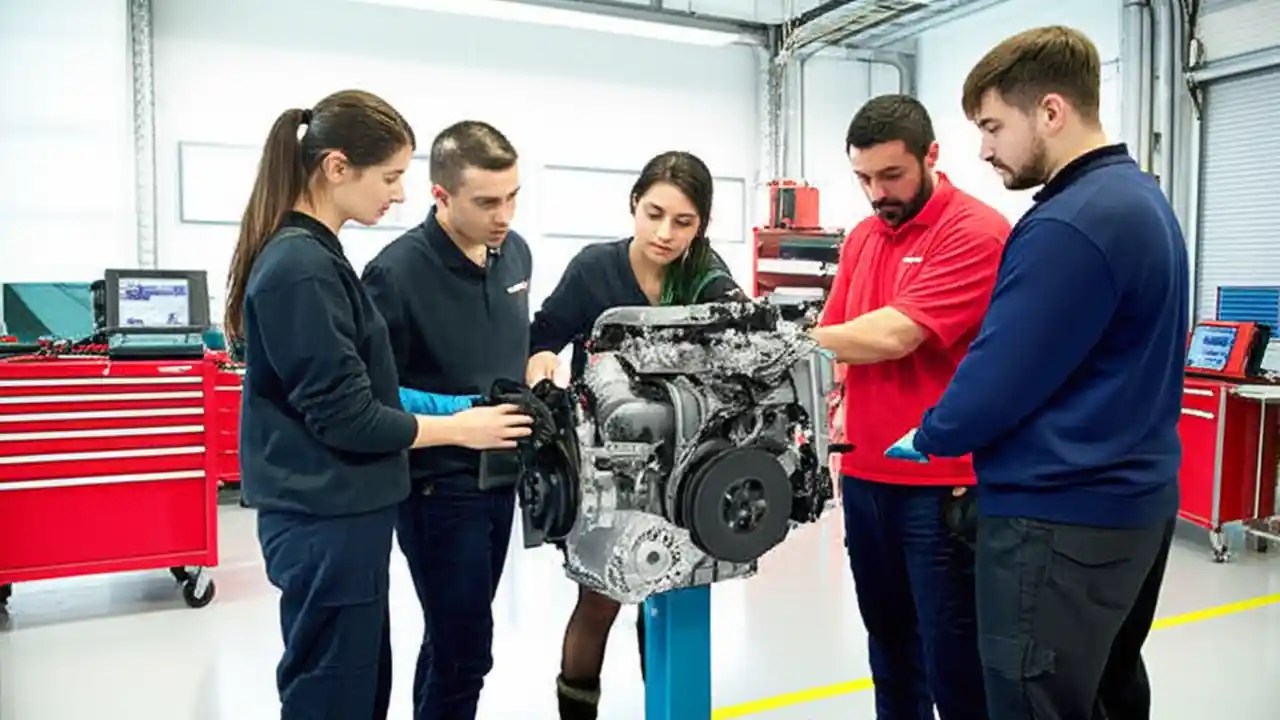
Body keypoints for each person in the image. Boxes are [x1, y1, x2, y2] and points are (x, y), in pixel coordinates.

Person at [887, 25, 1187, 720]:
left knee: (1032, 699)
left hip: (1058, 519)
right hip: (1130, 508)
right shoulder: (1140, 200)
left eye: (993, 126)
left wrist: (935, 430)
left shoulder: (1069, 223)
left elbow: (1000, 374)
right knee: (1106, 693)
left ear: (1051, 112)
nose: (985, 148)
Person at [226, 91, 534, 720]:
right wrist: (459, 425)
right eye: (391, 176)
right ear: (337, 168)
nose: (399, 194)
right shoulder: (303, 269)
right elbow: (352, 414)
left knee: (361, 688)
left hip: (349, 513)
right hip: (326, 517)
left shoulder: (318, 257)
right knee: (333, 693)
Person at [809, 94, 1010, 720]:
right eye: (863, 178)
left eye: (891, 175)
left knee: (954, 666)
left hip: (942, 487)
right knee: (890, 656)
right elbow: (835, 338)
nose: (876, 192)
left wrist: (775, 337)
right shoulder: (864, 237)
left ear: (931, 156)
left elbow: (897, 334)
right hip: (866, 479)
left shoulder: (975, 232)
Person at [526, 150, 744, 720]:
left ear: (702, 225)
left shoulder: (707, 277)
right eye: (654, 214)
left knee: (672, 592)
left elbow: (742, 346)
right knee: (599, 600)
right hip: (605, 467)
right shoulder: (593, 269)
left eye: (684, 222)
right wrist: (544, 368)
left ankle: (666, 706)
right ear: (633, 206)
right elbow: (543, 337)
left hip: (683, 465)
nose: (665, 233)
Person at [361, 119, 531, 720]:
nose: (504, 215)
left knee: (449, 641)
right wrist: (464, 417)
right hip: (435, 484)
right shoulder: (394, 275)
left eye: (512, 197)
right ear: (441, 196)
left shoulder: (515, 253)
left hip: (501, 479)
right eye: (487, 202)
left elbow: (512, 345)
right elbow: (371, 397)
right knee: (465, 652)